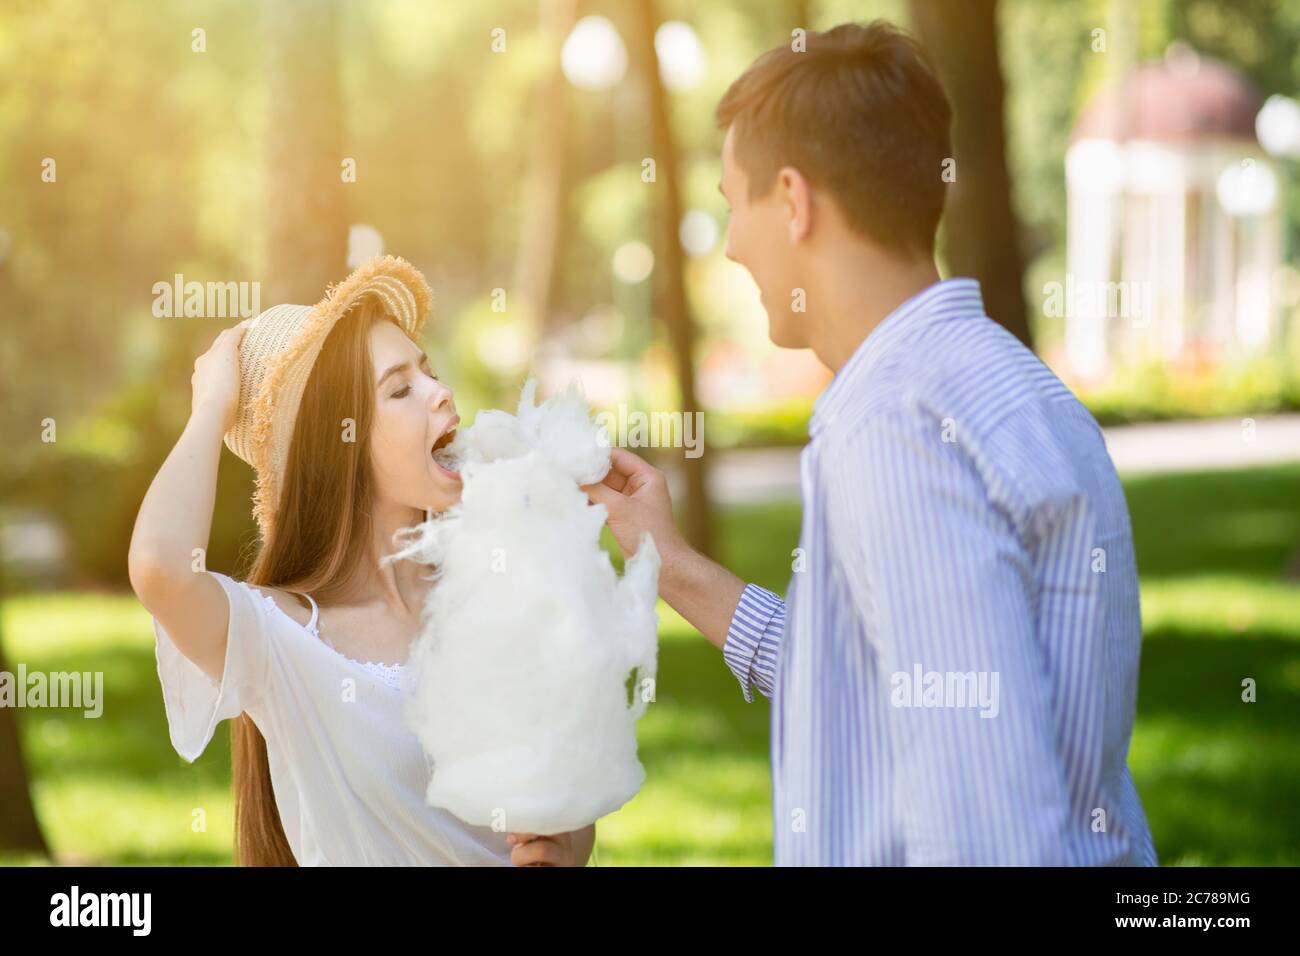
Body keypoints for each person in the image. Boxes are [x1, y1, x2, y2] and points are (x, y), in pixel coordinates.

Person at [583, 22, 1158, 866]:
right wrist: (669, 564)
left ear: (793, 200)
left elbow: (986, 829)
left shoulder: (895, 428)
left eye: (734, 204)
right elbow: (894, 682)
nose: (732, 244)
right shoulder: (1014, 385)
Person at [128, 255, 592, 866]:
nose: (441, 392)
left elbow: (571, 804)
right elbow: (161, 569)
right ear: (338, 448)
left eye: (427, 372)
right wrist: (211, 408)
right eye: (400, 389)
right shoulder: (283, 639)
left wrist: (564, 844)